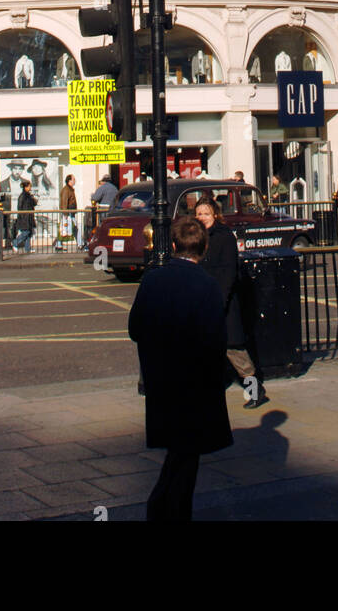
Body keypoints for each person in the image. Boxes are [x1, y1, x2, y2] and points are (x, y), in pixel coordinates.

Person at [128, 217, 233, 521]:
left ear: (173, 246)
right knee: (186, 457)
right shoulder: (208, 285)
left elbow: (135, 328)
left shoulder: (153, 279)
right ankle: (164, 508)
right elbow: (216, 340)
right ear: (204, 247)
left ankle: (162, 507)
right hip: (195, 384)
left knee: (180, 453)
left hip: (162, 381)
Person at [195, 199, 268, 409]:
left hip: (221, 302)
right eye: (199, 214)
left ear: (215, 215)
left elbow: (228, 272)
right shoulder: (197, 237)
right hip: (203, 301)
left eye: (206, 214)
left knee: (234, 351)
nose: (202, 218)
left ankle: (256, 390)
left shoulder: (224, 236)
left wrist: (220, 301)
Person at [13, 179, 37, 252]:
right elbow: (19, 207)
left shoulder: (29, 195)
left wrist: (34, 199)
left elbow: (34, 203)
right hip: (24, 217)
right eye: (29, 186)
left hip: (29, 216)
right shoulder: (23, 195)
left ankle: (28, 248)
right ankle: (15, 242)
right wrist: (22, 216)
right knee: (25, 232)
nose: (30, 188)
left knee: (29, 232)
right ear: (25, 187)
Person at [59, 174, 78, 249]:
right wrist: (65, 213)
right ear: (69, 181)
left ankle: (58, 243)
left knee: (67, 228)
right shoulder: (66, 190)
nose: (75, 181)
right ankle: (80, 243)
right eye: (74, 179)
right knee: (72, 228)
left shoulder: (70, 189)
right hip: (68, 213)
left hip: (70, 213)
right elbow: (64, 202)